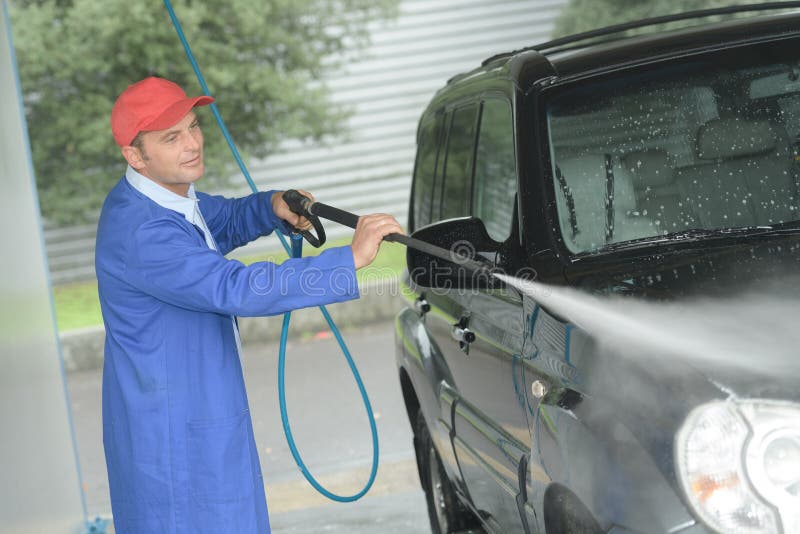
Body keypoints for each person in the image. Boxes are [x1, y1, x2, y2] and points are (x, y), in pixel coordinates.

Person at [95, 76, 403, 533]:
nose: (193, 144)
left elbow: (223, 219)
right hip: (170, 430)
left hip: (197, 408)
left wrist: (272, 206)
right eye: (171, 137)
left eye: (193, 127)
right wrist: (349, 259)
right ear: (135, 156)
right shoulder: (142, 232)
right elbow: (235, 287)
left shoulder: (164, 200)